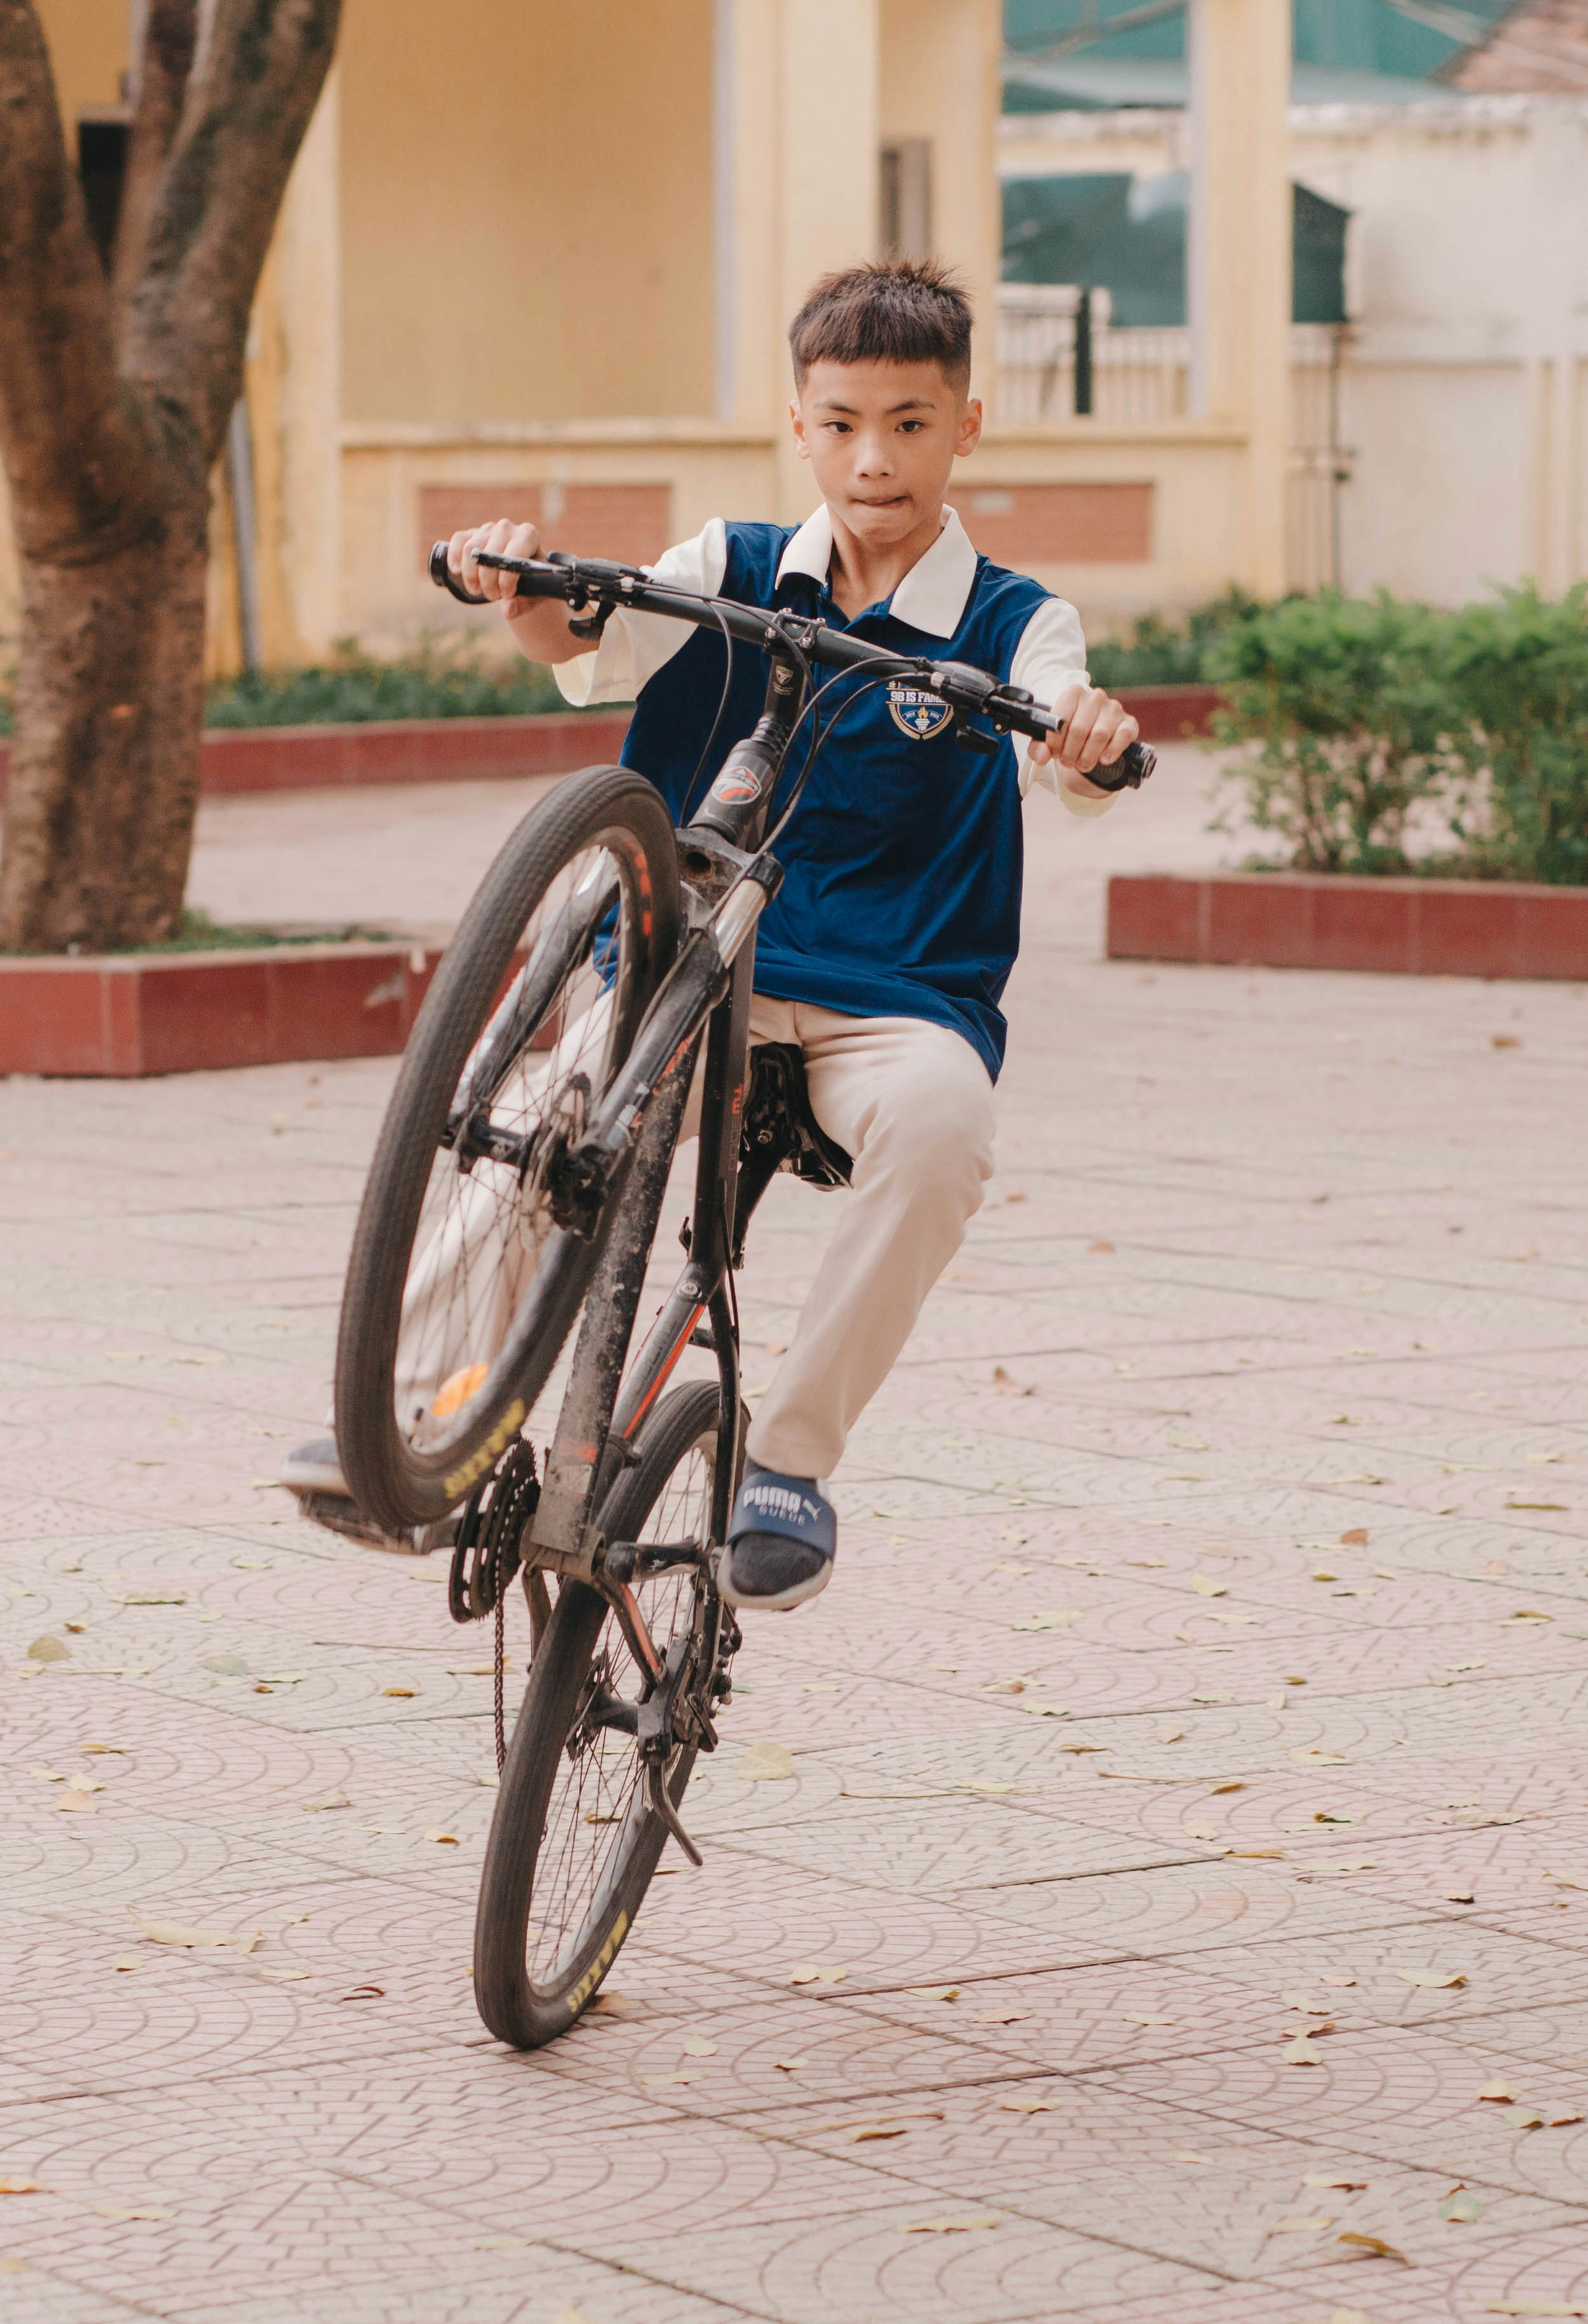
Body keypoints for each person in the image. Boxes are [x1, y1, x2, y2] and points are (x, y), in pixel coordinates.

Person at [284, 258, 1141, 1614]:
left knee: (942, 1135)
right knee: (537, 1114)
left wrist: (1091, 733)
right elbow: (591, 631)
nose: (875, 458)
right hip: (688, 964)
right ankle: (409, 1429)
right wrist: (524, 590)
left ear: (965, 426)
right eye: (844, 422)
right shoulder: (730, 567)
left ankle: (789, 1463)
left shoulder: (1016, 622)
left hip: (892, 995)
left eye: (911, 423)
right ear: (799, 424)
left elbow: (1071, 743)